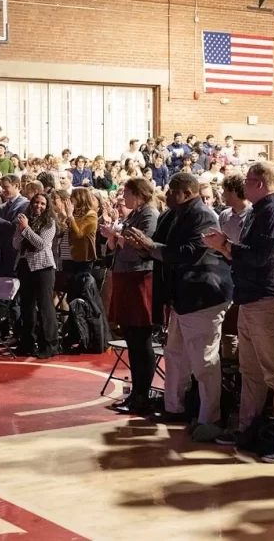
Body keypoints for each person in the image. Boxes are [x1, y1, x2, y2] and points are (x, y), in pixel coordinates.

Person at [203, 161, 274, 463]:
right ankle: (246, 429)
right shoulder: (262, 211)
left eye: (247, 180)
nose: (243, 186)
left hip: (270, 300)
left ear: (260, 183)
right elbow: (251, 257)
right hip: (254, 299)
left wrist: (225, 245)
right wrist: (224, 247)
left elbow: (262, 258)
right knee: (252, 373)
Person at [125, 173, 233, 440]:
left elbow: (189, 253)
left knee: (204, 359)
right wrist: (143, 246)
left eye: (172, 189)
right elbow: (160, 249)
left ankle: (210, 416)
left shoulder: (203, 215)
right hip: (182, 297)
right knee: (175, 353)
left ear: (186, 191)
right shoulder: (172, 215)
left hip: (202, 295)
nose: (167, 193)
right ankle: (174, 407)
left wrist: (151, 246)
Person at [102, 177, 159, 414]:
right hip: (126, 276)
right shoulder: (134, 214)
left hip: (140, 278)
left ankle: (142, 394)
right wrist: (114, 238)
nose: (123, 196)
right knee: (131, 337)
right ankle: (136, 392)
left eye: (127, 192)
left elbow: (144, 248)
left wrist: (117, 237)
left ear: (139, 194)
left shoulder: (149, 215)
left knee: (140, 338)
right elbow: (123, 243)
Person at [13, 192, 59, 358]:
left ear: (47, 207)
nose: (38, 206)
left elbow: (41, 244)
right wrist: (21, 230)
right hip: (25, 266)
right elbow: (16, 244)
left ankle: (50, 344)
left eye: (42, 204)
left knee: (45, 306)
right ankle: (28, 343)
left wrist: (26, 229)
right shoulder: (25, 220)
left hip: (43, 267)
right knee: (27, 306)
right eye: (36, 203)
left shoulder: (50, 222)